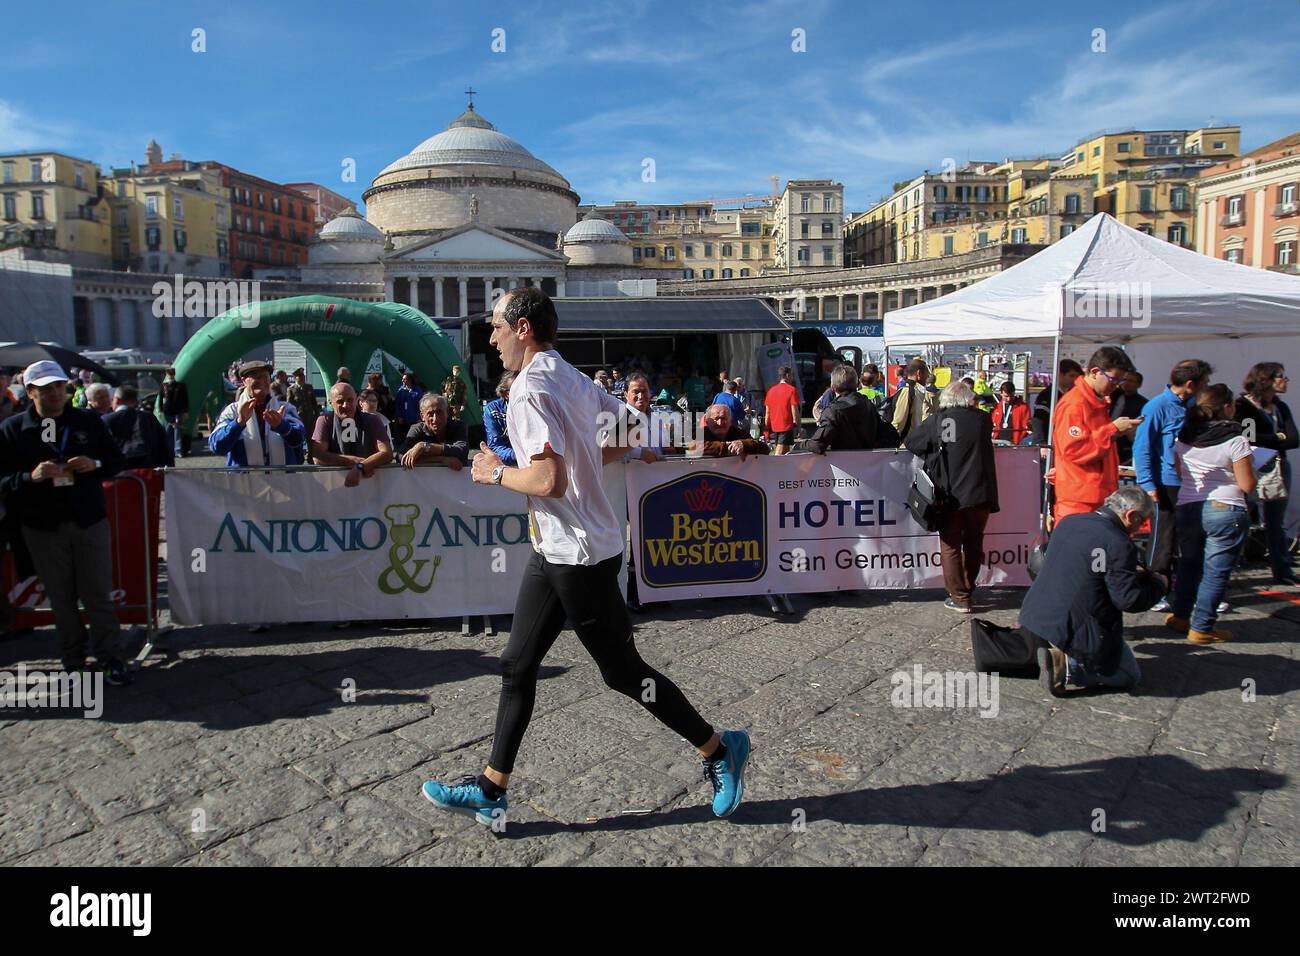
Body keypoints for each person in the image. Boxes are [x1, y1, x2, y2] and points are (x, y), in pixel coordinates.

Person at [421, 287, 751, 824]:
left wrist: (492, 472)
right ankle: (491, 786)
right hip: (556, 548)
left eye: (497, 325)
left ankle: (720, 749)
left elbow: (548, 481)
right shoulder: (567, 374)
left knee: (623, 673)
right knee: (517, 664)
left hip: (579, 555)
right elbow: (631, 430)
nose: (491, 336)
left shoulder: (528, 390)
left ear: (523, 328)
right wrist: (581, 458)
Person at [0, 361, 131, 684]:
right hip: (42, 526)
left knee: (98, 592)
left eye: (59, 386)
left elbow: (115, 460)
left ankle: (109, 656)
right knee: (61, 597)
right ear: (30, 392)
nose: (55, 393)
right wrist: (29, 477)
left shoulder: (87, 420)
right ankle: (73, 657)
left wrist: (94, 463)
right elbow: (2, 480)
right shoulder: (13, 429)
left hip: (88, 519)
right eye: (46, 388)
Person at [1021, 486, 1167, 695]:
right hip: (1075, 625)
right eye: (1142, 520)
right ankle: (1067, 666)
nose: (1141, 526)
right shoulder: (1119, 543)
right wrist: (1159, 585)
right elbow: (1128, 600)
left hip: (1036, 615)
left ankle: (1054, 651)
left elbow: (1090, 567)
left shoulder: (1070, 522)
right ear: (1130, 515)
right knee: (1130, 674)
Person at [1167, 385, 1256, 644]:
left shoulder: (1184, 437)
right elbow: (1248, 484)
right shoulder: (1236, 439)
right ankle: (1202, 627)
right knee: (1215, 571)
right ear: (1226, 407)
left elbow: (1182, 473)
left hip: (1188, 505)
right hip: (1225, 506)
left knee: (1188, 565)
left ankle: (1181, 616)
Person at [904, 381, 998, 612]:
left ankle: (960, 597)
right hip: (979, 493)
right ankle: (968, 589)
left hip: (949, 494)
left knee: (951, 546)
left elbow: (912, 443)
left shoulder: (938, 421)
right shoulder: (983, 420)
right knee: (974, 542)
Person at [1131, 359, 1212, 592]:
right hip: (1165, 483)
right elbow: (1142, 446)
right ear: (1190, 383)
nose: (1206, 386)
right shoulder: (1157, 407)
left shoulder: (1195, 406)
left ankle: (1184, 586)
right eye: (1204, 382)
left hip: (1192, 481)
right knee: (1163, 538)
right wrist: (1147, 483)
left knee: (1190, 536)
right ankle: (1155, 587)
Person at [1050, 346, 1143, 524]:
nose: (1116, 387)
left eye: (1119, 382)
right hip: (1080, 500)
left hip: (1095, 496)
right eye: (1113, 380)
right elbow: (1074, 450)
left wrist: (1117, 431)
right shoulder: (1075, 404)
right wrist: (1113, 430)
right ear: (1094, 372)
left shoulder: (1094, 402)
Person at [1235, 362, 1297, 587]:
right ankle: (1232, 565)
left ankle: (1282, 569)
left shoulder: (1280, 407)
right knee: (1241, 517)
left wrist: (1276, 438)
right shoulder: (1244, 406)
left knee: (1275, 521)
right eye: (1281, 376)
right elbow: (1250, 437)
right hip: (1253, 466)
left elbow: (1294, 439)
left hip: (1278, 467)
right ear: (1266, 379)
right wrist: (1278, 438)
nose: (1285, 380)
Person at [209, 361, 306, 467]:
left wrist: (281, 426)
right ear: (244, 381)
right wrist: (238, 423)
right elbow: (217, 446)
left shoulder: (285, 409)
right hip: (243, 482)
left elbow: (299, 439)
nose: (261, 381)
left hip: (281, 480)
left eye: (265, 376)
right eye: (255, 376)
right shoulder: (233, 411)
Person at [311, 382, 393, 488]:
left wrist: (361, 466)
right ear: (330, 403)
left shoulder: (373, 420)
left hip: (371, 487)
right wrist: (354, 461)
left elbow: (387, 453)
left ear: (356, 400)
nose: (346, 405)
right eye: (340, 401)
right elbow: (318, 457)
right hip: (335, 488)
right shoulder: (324, 421)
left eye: (350, 400)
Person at [806, 364, 900, 453]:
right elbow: (890, 435)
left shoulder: (832, 411)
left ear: (833, 387)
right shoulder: (867, 404)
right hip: (868, 463)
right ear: (857, 384)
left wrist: (803, 444)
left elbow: (817, 445)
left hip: (843, 464)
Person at [103, 385, 173, 469]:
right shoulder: (149, 417)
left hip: (120, 472)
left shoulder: (107, 419)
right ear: (135, 401)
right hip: (149, 471)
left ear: (117, 400)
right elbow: (164, 445)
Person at [399, 393, 468, 470]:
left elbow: (462, 451)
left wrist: (425, 447)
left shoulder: (458, 426)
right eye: (430, 414)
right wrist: (441, 459)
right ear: (422, 416)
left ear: (447, 413)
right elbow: (401, 456)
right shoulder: (417, 429)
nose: (436, 419)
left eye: (439, 412)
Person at [1030, 359, 1084, 446]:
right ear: (1060, 375)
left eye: (1077, 377)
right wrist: (1041, 443)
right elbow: (1038, 419)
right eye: (1071, 376)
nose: (1074, 380)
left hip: (1069, 442)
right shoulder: (1047, 395)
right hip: (1050, 444)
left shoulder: (1076, 395)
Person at [689, 404, 768, 459]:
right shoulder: (700, 433)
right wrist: (728, 447)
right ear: (707, 421)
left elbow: (765, 448)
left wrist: (744, 444)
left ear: (730, 420)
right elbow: (692, 447)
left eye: (724, 419)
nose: (720, 423)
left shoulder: (738, 432)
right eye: (716, 419)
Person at [890, 358, 938, 444]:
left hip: (916, 444)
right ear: (919, 373)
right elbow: (898, 422)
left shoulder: (916, 391)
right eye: (927, 374)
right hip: (906, 447)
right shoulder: (907, 391)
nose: (927, 377)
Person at [1110, 370, 1147, 464]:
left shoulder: (1143, 404)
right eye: (1124, 380)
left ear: (1139, 385)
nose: (1126, 383)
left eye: (1131, 381)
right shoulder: (1111, 396)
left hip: (1125, 449)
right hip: (1106, 440)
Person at [763, 365, 802, 455]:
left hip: (774, 426)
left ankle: (785, 469)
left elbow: (767, 412)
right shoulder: (792, 390)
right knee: (779, 454)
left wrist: (766, 429)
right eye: (791, 375)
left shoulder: (770, 391)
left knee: (786, 452)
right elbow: (794, 411)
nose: (792, 378)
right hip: (786, 426)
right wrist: (798, 427)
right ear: (787, 375)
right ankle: (774, 468)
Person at [286, 368, 320, 462]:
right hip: (298, 418)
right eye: (299, 377)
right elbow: (289, 405)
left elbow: (314, 402)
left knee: (311, 438)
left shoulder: (309, 387)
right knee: (299, 437)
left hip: (309, 417)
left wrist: (317, 415)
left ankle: (310, 457)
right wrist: (291, 417)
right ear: (295, 378)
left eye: (303, 377)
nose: (302, 379)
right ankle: (299, 458)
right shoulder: (291, 389)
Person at [483, 371, 517, 466]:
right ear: (507, 394)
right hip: (506, 466)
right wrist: (519, 454)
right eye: (518, 389)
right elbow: (495, 447)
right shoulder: (493, 409)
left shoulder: (534, 406)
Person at [159, 367, 190, 460]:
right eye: (169, 374)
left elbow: (185, 399)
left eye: (171, 374)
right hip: (167, 411)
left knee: (178, 432)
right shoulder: (164, 386)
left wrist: (185, 411)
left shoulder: (180, 386)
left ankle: (178, 450)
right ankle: (169, 451)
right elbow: (160, 398)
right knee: (168, 431)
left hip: (178, 411)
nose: (170, 376)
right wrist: (160, 410)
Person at [393, 371, 424, 438]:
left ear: (410, 380)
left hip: (415, 418)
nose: (402, 380)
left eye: (404, 379)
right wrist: (399, 416)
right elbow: (398, 404)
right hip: (404, 419)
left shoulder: (417, 390)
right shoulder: (401, 390)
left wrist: (419, 418)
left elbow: (421, 405)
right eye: (402, 379)